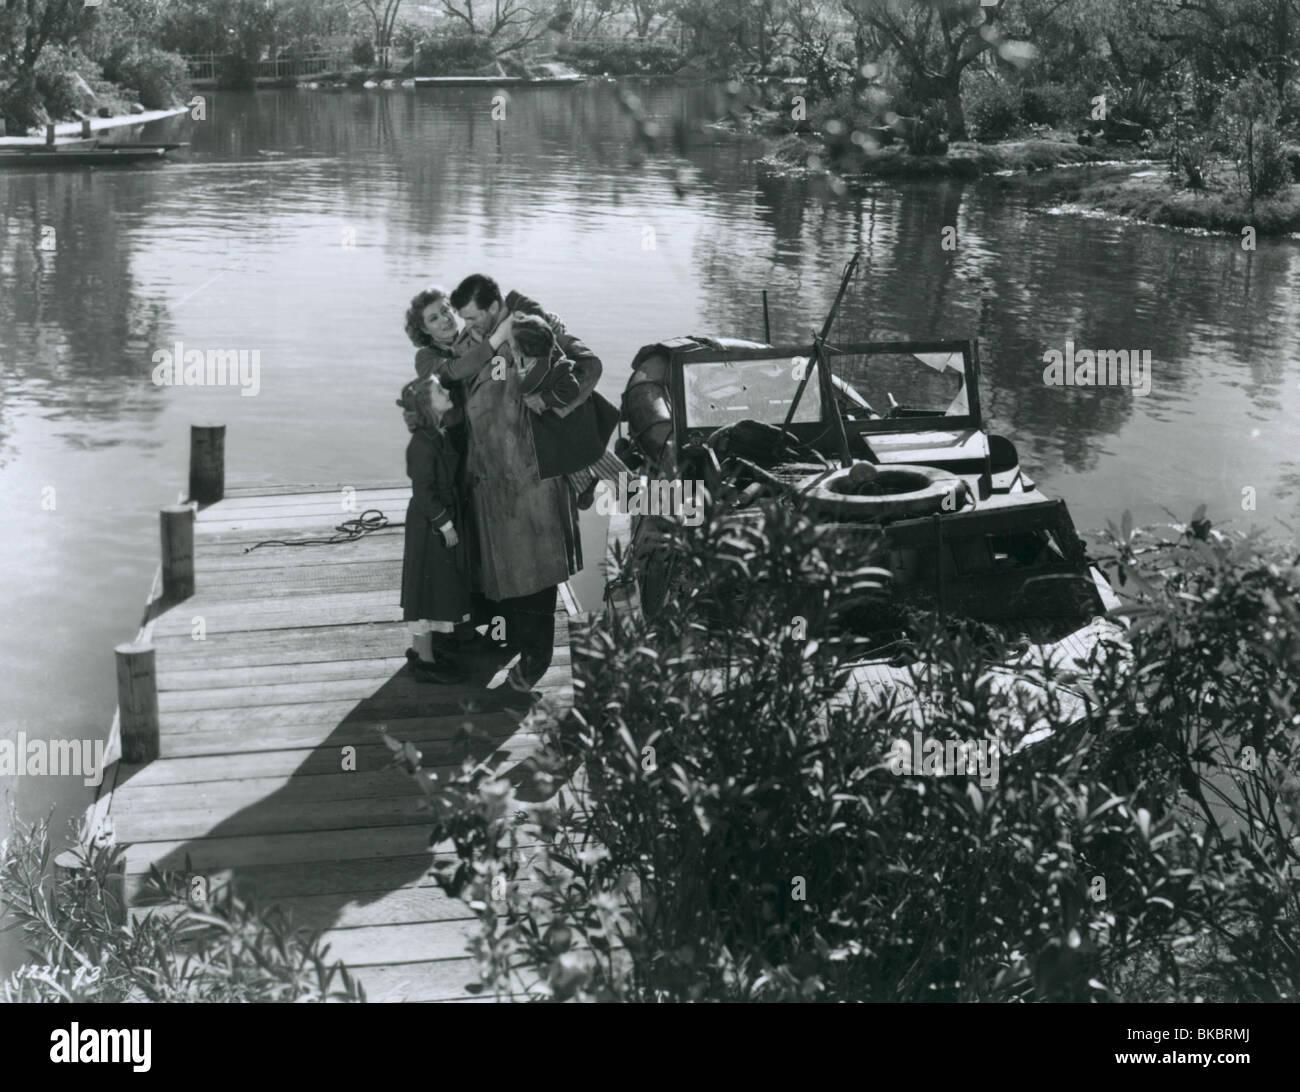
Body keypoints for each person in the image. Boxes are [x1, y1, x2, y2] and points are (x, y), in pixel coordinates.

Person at [442, 273, 602, 695]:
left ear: (496, 306)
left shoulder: (534, 323)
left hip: (530, 478)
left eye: (475, 318)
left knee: (536, 570)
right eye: (465, 321)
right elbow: (458, 372)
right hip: (489, 479)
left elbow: (590, 367)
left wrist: (550, 401)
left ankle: (537, 659)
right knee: (505, 571)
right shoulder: (478, 339)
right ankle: (508, 643)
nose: (469, 327)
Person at [397, 375, 473, 685]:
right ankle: (425, 662)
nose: (446, 391)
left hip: (433, 525)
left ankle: (422, 653)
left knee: (430, 589)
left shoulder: (435, 434)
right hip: (430, 527)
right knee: (428, 592)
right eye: (439, 390)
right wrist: (446, 524)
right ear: (428, 405)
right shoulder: (422, 444)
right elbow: (423, 493)